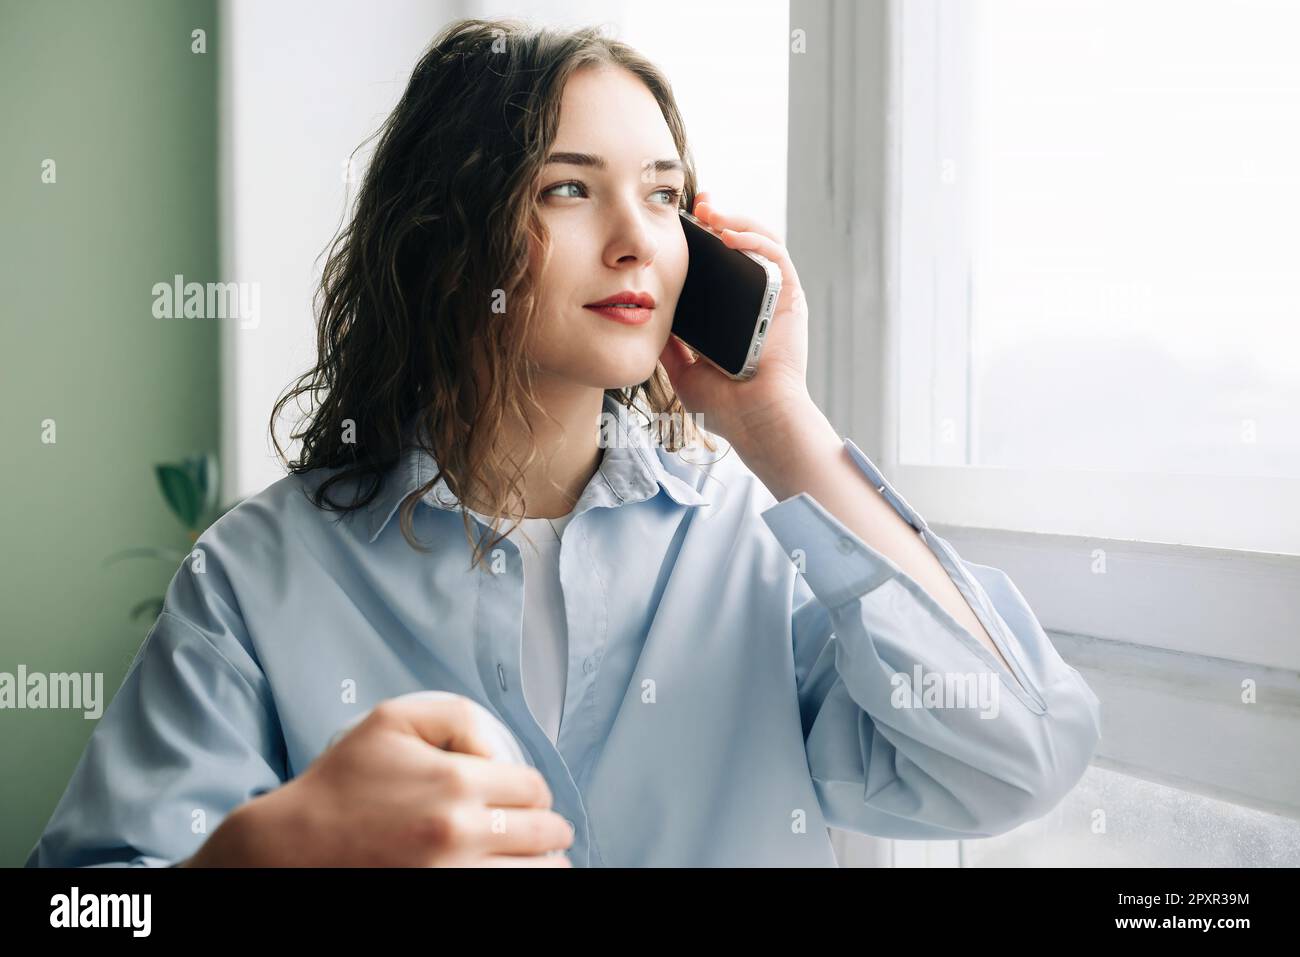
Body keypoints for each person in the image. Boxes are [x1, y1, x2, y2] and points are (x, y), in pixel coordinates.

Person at [25, 17, 1101, 868]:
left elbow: (1021, 758)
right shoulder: (255, 581)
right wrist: (253, 861)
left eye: (666, 196)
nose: (639, 238)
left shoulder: (758, 550)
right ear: (447, 238)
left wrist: (778, 424)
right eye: (570, 188)